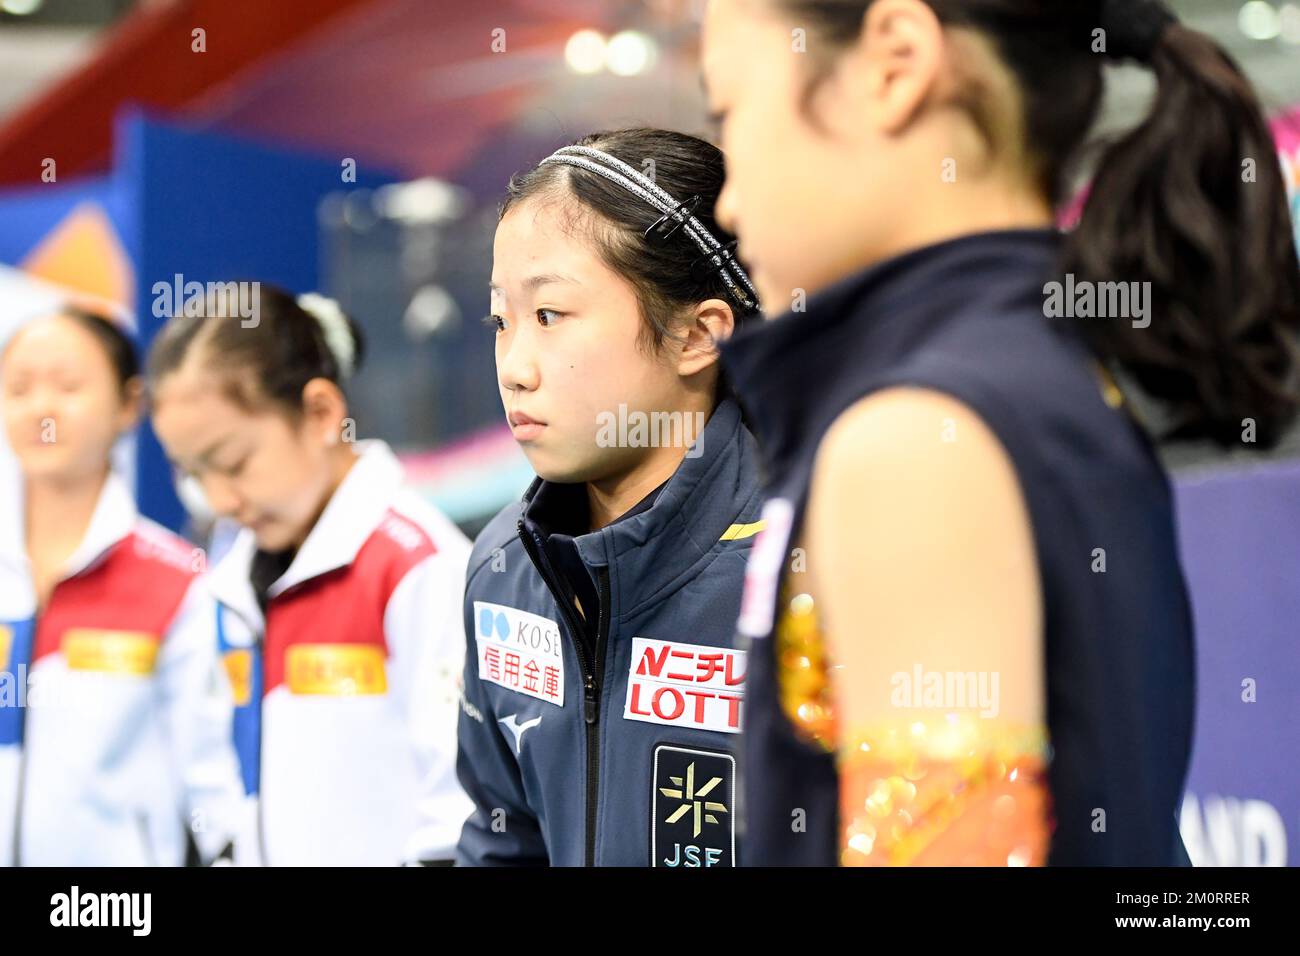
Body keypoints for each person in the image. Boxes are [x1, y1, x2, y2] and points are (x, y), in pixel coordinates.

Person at [701, 0, 1300, 864]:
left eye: (729, 109)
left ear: (894, 65)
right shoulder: (1042, 382)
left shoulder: (913, 439)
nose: (727, 197)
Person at [456, 128, 765, 866]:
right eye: (503, 321)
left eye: (550, 315)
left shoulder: (804, 561)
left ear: (698, 335)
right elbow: (504, 842)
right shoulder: (504, 568)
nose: (515, 368)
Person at [148, 285, 473, 865]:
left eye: (233, 462)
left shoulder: (418, 567)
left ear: (321, 412)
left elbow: (458, 813)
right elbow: (216, 774)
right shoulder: (227, 581)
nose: (220, 498)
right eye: (196, 474)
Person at [0, 306, 242, 866]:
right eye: (19, 388)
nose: (42, 408)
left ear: (130, 404)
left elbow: (215, 779)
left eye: (68, 386)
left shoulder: (179, 582)